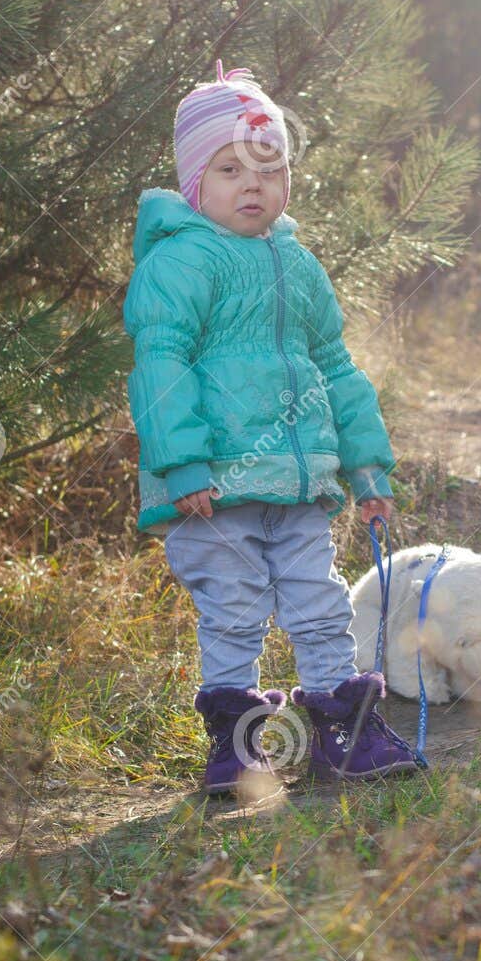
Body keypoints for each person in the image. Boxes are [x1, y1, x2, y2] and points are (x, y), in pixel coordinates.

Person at [122, 59, 422, 792]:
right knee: (232, 611)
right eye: (230, 170)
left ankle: (343, 734)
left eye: (269, 169)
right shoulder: (180, 261)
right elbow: (160, 364)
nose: (252, 185)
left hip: (297, 484)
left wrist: (366, 469)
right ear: (196, 181)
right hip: (215, 489)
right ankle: (236, 745)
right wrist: (183, 464)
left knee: (321, 604)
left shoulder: (298, 264)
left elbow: (337, 368)